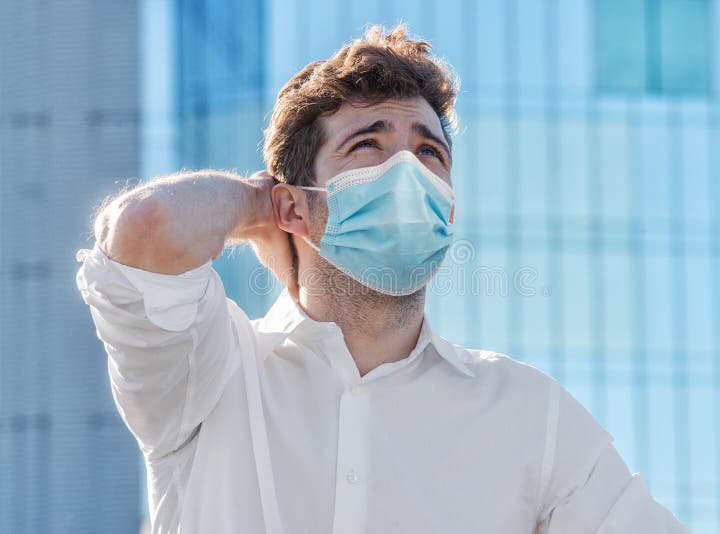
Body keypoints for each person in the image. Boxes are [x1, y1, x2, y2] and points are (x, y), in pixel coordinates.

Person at [76, 24, 688, 534]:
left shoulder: (530, 414)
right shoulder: (210, 376)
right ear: (296, 205)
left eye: (429, 154)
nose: (407, 173)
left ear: (448, 211)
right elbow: (145, 228)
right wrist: (259, 205)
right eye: (368, 145)